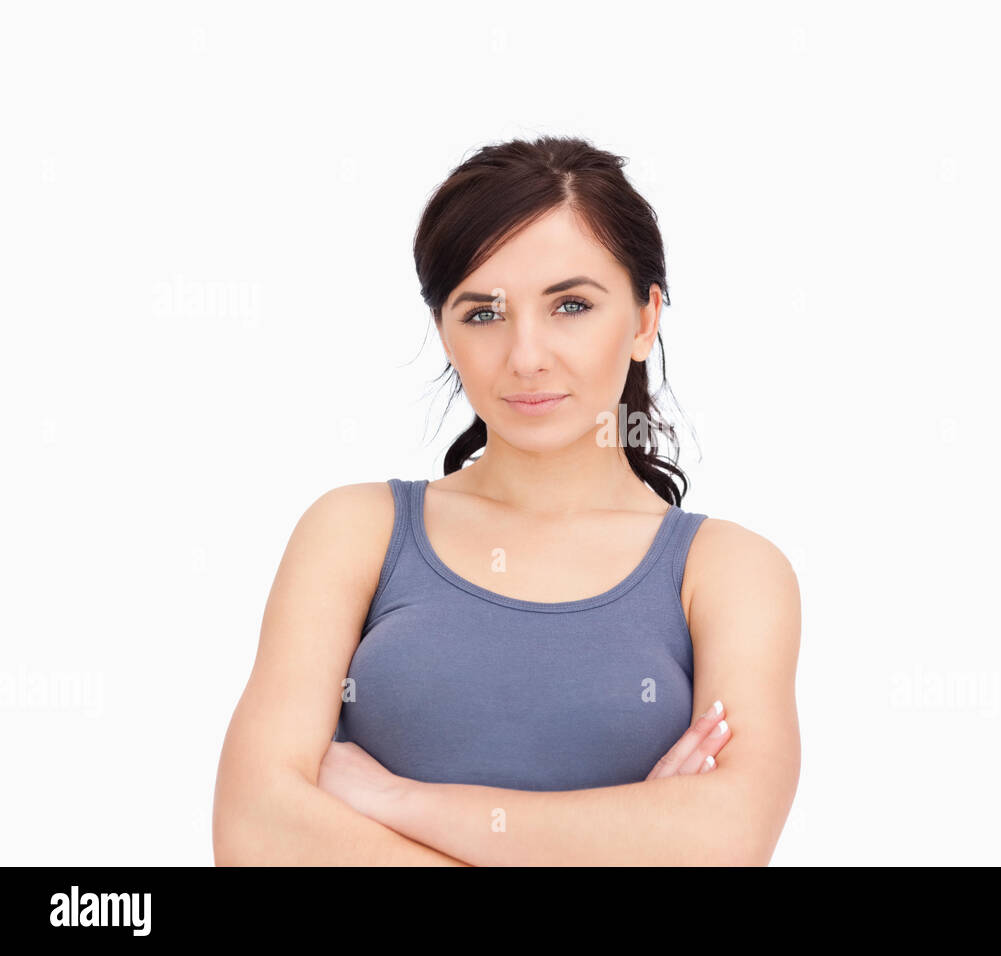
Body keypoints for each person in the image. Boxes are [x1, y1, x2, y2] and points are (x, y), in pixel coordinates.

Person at [212, 135, 801, 866]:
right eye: (483, 313)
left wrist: (398, 802)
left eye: (571, 306)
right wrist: (630, 840)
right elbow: (256, 833)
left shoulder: (730, 572)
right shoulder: (355, 531)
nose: (526, 355)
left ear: (646, 319)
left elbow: (726, 837)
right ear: (444, 332)